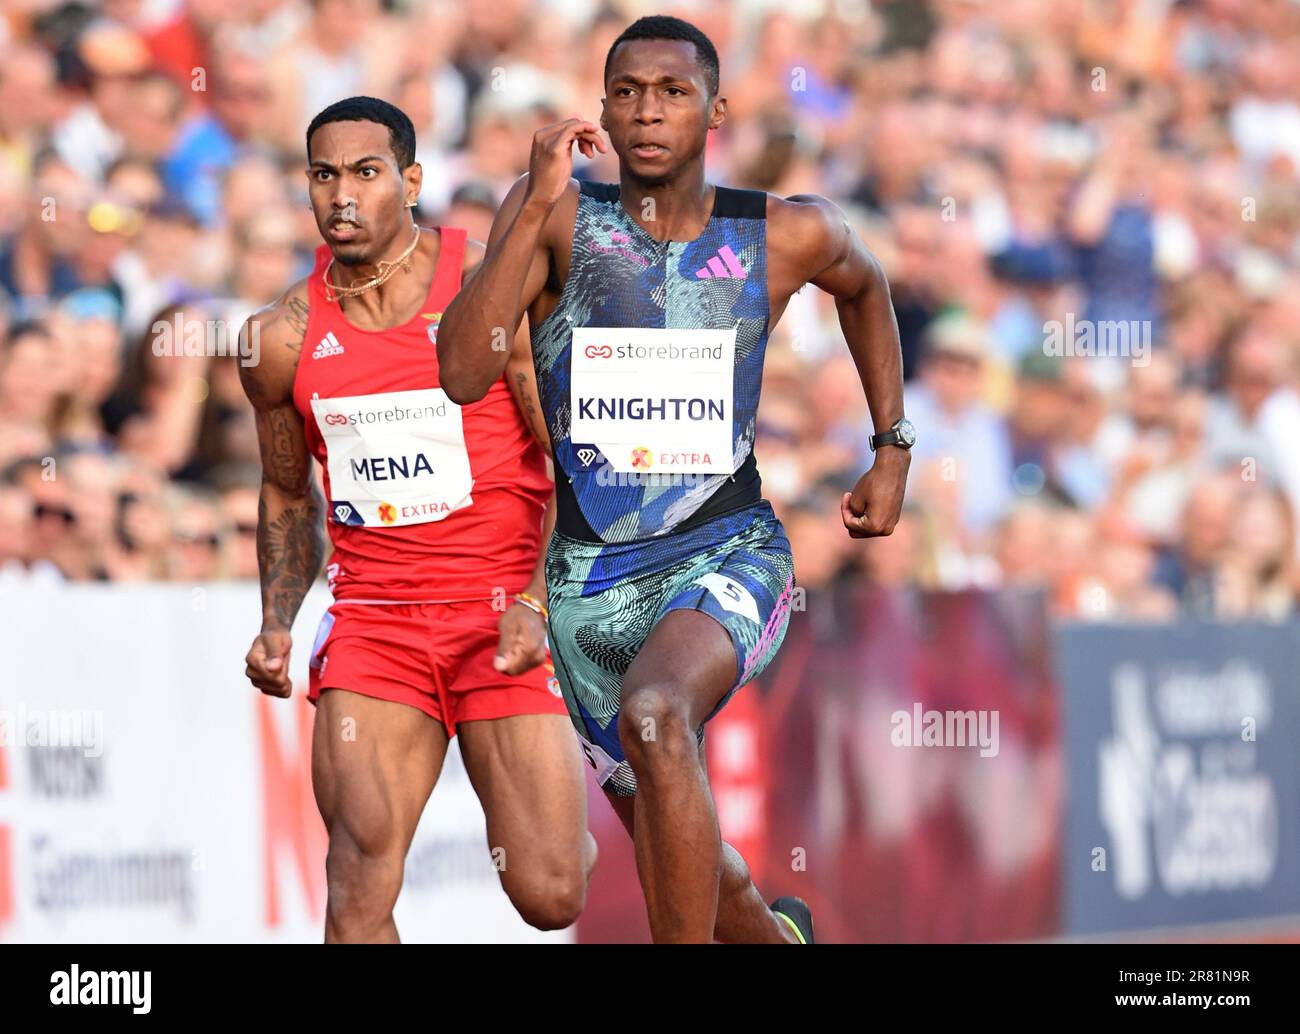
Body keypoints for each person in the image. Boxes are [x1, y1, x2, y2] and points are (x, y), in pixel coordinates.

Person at [438, 16, 912, 943]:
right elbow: (461, 370)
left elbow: (866, 288)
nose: (648, 112)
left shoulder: (784, 233)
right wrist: (529, 209)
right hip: (586, 587)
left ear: (718, 110)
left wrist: (890, 445)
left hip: (725, 547)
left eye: (674, 92)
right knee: (683, 854)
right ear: (603, 114)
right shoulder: (559, 217)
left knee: (660, 718)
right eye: (627, 93)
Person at [238, 96, 593, 943]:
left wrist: (540, 601)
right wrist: (277, 621)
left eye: (366, 173)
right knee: (357, 884)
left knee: (551, 894)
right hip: (375, 626)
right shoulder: (279, 339)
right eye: (324, 175)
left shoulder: (487, 290)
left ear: (411, 179)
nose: (343, 196)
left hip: (503, 612)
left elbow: (578, 462)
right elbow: (288, 493)